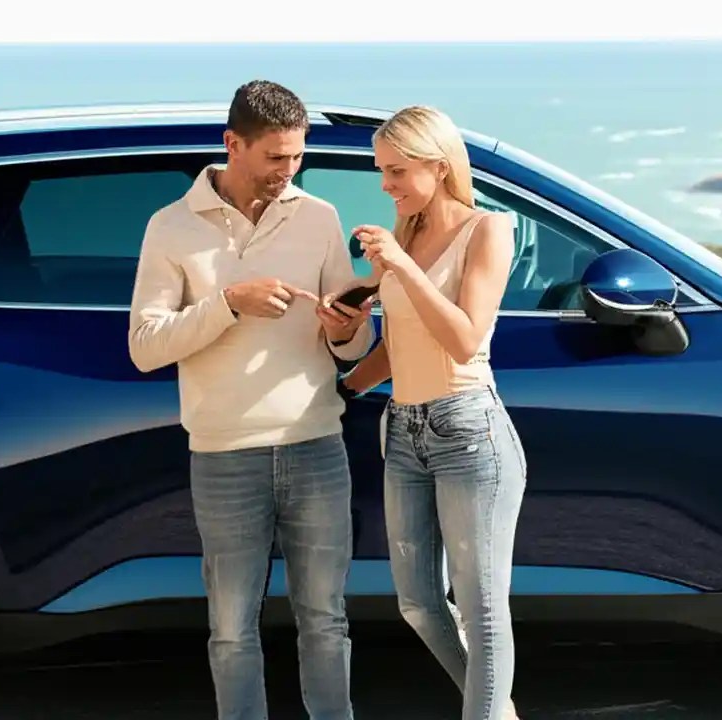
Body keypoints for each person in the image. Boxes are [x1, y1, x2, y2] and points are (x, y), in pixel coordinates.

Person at [127, 79, 374, 720]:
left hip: (316, 446)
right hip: (224, 456)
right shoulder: (171, 228)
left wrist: (347, 331)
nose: (288, 172)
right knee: (233, 629)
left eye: (297, 157)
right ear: (232, 144)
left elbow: (350, 341)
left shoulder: (318, 216)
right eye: (275, 158)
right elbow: (145, 346)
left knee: (326, 620)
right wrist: (228, 304)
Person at [338, 105, 528, 720]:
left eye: (396, 171)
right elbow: (398, 346)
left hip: (468, 429)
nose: (386, 185)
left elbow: (465, 338)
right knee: (418, 601)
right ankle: (497, 710)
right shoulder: (408, 232)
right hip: (405, 429)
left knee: (482, 607)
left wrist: (400, 265)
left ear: (439, 165)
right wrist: (342, 387)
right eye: (382, 172)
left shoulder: (488, 230)